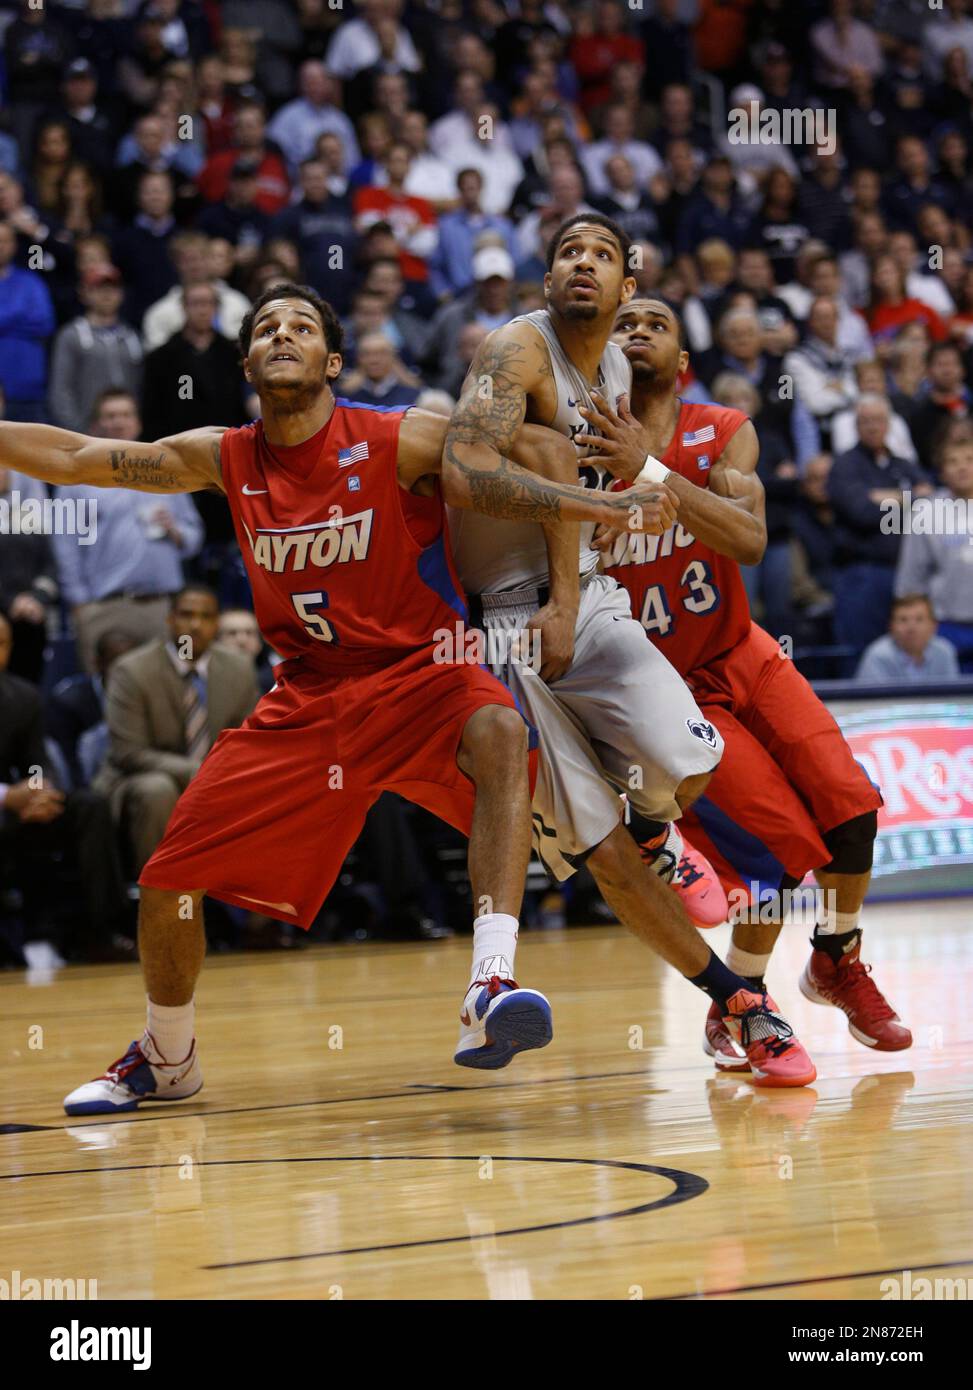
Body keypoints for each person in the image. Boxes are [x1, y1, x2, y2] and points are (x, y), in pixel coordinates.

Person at [0, 279, 670, 1112]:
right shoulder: (223, 455)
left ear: (333, 359)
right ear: (245, 360)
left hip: (418, 671)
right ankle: (166, 1055)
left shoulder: (398, 437)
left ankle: (490, 982)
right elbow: (72, 457)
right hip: (308, 696)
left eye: (302, 326)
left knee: (500, 731)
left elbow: (520, 459)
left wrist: (601, 500)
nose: (282, 334)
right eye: (266, 327)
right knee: (169, 880)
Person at [443, 214, 815, 1086]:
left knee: (689, 764)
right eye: (568, 252)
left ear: (627, 284)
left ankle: (659, 832)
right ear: (545, 282)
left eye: (602, 255)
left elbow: (727, 526)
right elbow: (464, 471)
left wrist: (619, 510)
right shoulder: (517, 351)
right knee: (598, 850)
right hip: (501, 624)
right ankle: (739, 1002)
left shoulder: (613, 367)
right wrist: (597, 513)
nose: (583, 263)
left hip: (590, 605)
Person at [594, 295, 911, 1076]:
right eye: (622, 325)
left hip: (743, 653)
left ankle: (835, 958)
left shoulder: (723, 431)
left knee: (850, 811)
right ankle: (737, 998)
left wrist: (651, 472)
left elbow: (748, 538)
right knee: (774, 851)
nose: (637, 332)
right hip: (666, 692)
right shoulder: (570, 449)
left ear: (684, 359)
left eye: (655, 323)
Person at [92, 586, 260, 874]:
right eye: (186, 615)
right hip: (137, 779)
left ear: (216, 624)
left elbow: (249, 743)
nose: (195, 624)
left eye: (206, 616)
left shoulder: (239, 669)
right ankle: (162, 899)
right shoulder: (132, 670)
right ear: (170, 620)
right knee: (158, 789)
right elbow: (129, 753)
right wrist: (199, 772)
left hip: (215, 777)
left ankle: (256, 905)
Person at [0, 609, 134, 966]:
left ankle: (99, 931)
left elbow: (38, 757)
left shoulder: (23, 696)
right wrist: (7, 797)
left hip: (15, 810)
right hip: (5, 804)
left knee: (89, 806)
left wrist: (41, 788)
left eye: (1, 644)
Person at [51, 389, 205, 672]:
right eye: (110, 416)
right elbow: (65, 546)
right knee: (106, 699)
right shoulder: (76, 477)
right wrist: (81, 605)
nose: (118, 422)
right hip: (105, 607)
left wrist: (175, 530)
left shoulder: (166, 469)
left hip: (162, 607)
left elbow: (195, 538)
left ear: (138, 423)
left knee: (166, 698)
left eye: (125, 415)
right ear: (96, 424)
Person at [893, 438, 973, 670]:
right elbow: (910, 579)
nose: (962, 467)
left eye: (969, 459)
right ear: (941, 472)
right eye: (952, 461)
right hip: (945, 625)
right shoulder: (926, 512)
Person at [856, 594, 960, 682]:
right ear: (891, 626)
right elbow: (871, 703)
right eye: (903, 620)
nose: (911, 628)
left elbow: (954, 699)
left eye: (919, 620)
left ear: (934, 625)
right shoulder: (877, 656)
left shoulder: (944, 651)